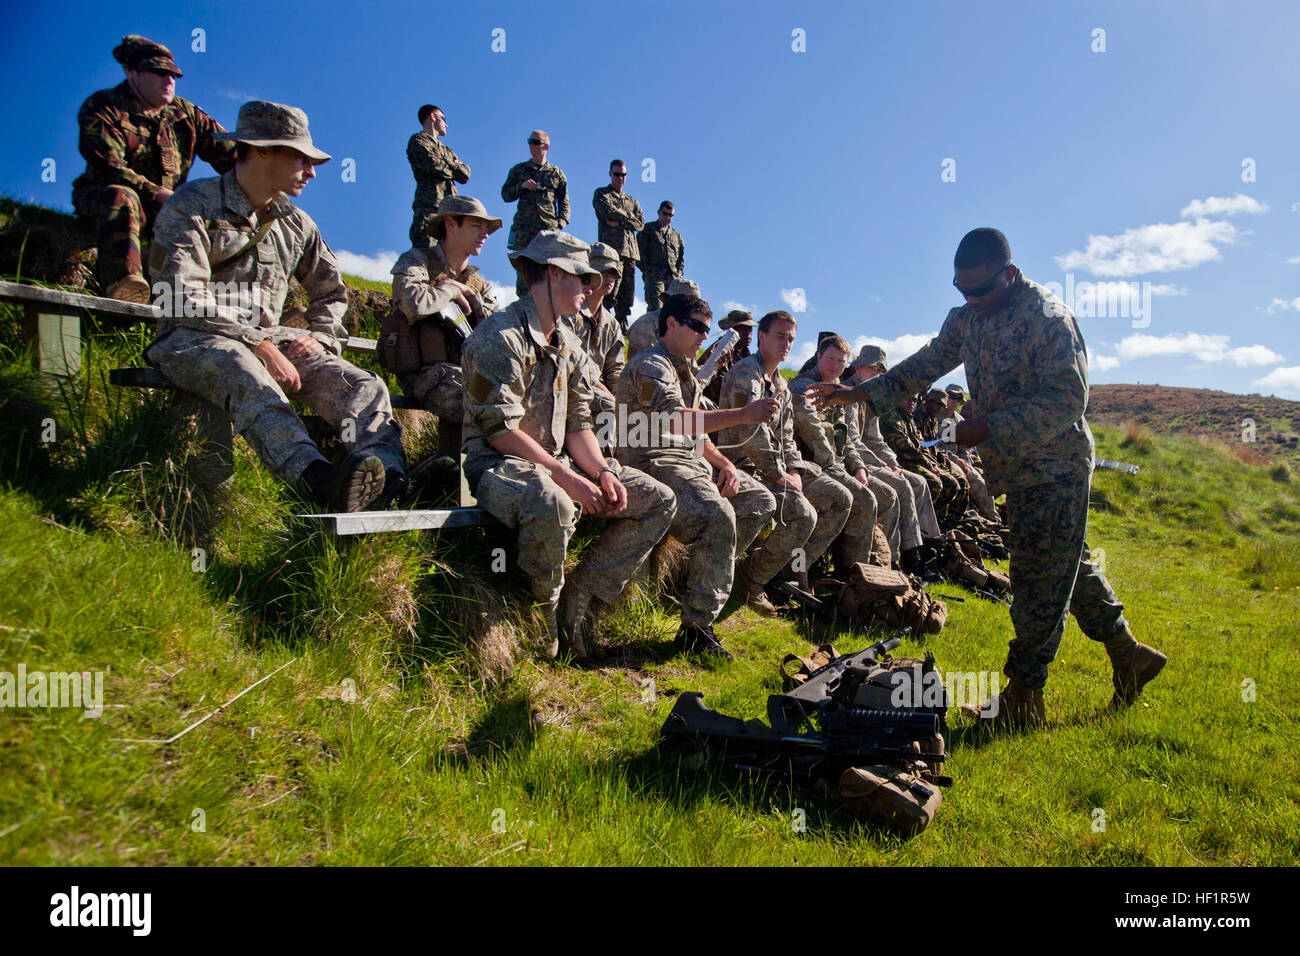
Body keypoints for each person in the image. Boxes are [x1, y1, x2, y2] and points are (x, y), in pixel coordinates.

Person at [807, 227, 1167, 726]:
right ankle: (1130, 654)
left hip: (1054, 468)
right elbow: (925, 364)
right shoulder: (967, 319)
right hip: (1018, 470)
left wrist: (985, 427)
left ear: (1010, 275)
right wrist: (861, 394)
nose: (971, 300)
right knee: (1066, 567)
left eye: (980, 290)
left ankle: (1023, 699)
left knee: (1037, 582)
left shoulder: (1048, 318)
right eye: (962, 291)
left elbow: (1067, 400)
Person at [147, 100, 406, 511]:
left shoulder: (297, 223)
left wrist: (321, 339)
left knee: (364, 386)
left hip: (272, 342)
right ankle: (322, 484)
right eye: (301, 158)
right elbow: (179, 294)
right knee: (246, 369)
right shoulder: (192, 205)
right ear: (262, 149)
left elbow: (332, 293)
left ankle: (387, 481)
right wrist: (256, 344)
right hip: (193, 338)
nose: (313, 170)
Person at [461, 231, 675, 660]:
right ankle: (543, 616)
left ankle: (580, 598)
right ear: (555, 274)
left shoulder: (571, 347)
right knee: (553, 501)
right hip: (499, 465)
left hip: (557, 462)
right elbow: (499, 430)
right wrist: (566, 478)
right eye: (584, 278)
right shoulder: (498, 338)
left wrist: (601, 472)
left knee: (657, 499)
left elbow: (578, 425)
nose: (591, 289)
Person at [616, 293, 781, 653]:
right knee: (718, 514)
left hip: (686, 460)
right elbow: (675, 421)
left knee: (759, 500)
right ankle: (697, 628)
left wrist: (725, 465)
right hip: (650, 460)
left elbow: (697, 434)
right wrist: (743, 415)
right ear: (671, 323)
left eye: (707, 330)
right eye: (697, 327)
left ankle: (694, 582)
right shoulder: (651, 365)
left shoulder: (685, 370)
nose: (703, 336)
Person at [72, 34, 235, 303]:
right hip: (108, 200)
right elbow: (108, 166)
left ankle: (250, 302)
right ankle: (125, 285)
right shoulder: (104, 107)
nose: (169, 80)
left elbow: (233, 156)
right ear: (131, 72)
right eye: (158, 73)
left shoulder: (186, 114)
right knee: (123, 197)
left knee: (228, 217)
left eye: (173, 74)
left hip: (169, 208)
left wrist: (260, 179)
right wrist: (160, 195)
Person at [718, 310, 851, 601]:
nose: (786, 344)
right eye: (780, 336)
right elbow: (751, 433)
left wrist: (794, 469)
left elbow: (787, 436)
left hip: (779, 469)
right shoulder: (746, 374)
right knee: (803, 514)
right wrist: (778, 474)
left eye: (791, 339)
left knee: (841, 498)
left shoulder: (781, 386)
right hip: (745, 467)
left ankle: (790, 570)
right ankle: (753, 580)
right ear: (761, 336)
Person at [387, 195, 500, 467]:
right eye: (476, 225)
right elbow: (413, 303)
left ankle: (463, 474)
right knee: (486, 403)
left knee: (506, 398)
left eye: (486, 228)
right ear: (451, 225)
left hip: (466, 373)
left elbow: (497, 334)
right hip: (426, 376)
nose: (484, 233)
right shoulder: (416, 262)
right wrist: (449, 289)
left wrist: (473, 300)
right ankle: (471, 475)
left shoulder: (479, 284)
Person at [789, 335, 888, 568]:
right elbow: (812, 431)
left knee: (880, 495)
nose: (835, 366)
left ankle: (856, 570)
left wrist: (858, 467)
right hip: (807, 464)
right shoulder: (804, 387)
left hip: (831, 464)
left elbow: (844, 437)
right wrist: (835, 464)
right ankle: (802, 567)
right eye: (831, 359)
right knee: (863, 500)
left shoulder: (837, 393)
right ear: (819, 356)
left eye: (841, 362)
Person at [843, 346, 943, 564]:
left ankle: (928, 545)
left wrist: (892, 462)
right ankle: (898, 558)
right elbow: (851, 441)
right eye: (873, 369)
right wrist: (883, 464)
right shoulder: (848, 393)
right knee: (901, 487)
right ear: (858, 367)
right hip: (853, 461)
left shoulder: (870, 397)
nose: (878, 375)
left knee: (918, 482)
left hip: (868, 458)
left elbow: (875, 439)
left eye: (881, 371)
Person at [562, 242, 626, 439]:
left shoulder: (611, 324)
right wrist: (608, 395)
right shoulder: (568, 312)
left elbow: (615, 370)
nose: (610, 279)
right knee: (608, 408)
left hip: (598, 391)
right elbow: (569, 359)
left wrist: (624, 399)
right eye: (605, 272)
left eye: (614, 275)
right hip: (569, 385)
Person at [500, 130, 569, 295]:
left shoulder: (556, 174)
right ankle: (524, 316)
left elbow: (564, 202)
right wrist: (521, 186)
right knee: (524, 277)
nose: (531, 145)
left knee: (548, 277)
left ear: (546, 146)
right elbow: (505, 194)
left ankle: (544, 316)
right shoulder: (519, 170)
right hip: (524, 231)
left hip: (547, 232)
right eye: (530, 141)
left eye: (536, 142)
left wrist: (559, 224)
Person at [406, 104, 470, 249]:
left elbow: (465, 175)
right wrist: (452, 164)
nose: (446, 125)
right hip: (430, 208)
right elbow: (431, 164)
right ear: (433, 117)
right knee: (426, 253)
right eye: (443, 118)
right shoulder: (418, 141)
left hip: (450, 211)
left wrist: (450, 165)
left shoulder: (447, 150)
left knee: (448, 259)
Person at [592, 160, 644, 330]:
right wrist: (628, 219)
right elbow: (606, 212)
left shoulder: (632, 201)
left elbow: (640, 224)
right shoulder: (602, 194)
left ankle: (621, 325)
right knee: (608, 289)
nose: (620, 178)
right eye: (617, 174)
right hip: (611, 252)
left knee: (627, 293)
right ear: (610, 174)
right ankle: (600, 320)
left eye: (623, 175)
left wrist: (620, 220)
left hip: (630, 253)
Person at [940, 383, 1001, 520]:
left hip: (960, 460)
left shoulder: (960, 421)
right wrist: (956, 461)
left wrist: (967, 464)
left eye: (958, 398)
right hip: (941, 459)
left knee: (980, 484)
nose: (954, 401)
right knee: (960, 481)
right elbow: (931, 444)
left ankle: (994, 521)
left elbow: (964, 448)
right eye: (952, 396)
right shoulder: (934, 415)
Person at [627, 277, 699, 359]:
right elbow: (645, 364)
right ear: (669, 301)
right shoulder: (646, 324)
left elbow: (690, 369)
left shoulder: (683, 330)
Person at [699, 310, 755, 406]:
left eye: (750, 329)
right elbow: (715, 388)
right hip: (709, 407)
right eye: (743, 328)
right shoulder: (720, 349)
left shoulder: (746, 355)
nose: (748, 333)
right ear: (733, 330)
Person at [637, 201, 685, 310]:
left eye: (671, 215)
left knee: (672, 310)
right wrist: (647, 270)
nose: (668, 217)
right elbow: (638, 252)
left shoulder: (676, 235)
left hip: (672, 279)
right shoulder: (648, 229)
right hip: (654, 276)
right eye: (665, 213)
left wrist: (679, 273)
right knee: (656, 308)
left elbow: (681, 258)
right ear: (659, 212)